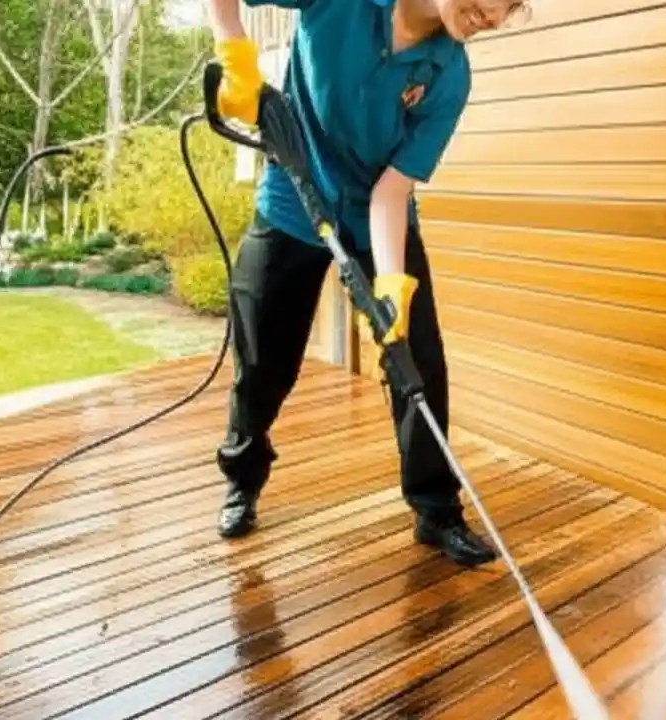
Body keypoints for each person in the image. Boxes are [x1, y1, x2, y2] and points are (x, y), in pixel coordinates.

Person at [204, 0, 528, 567]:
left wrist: (391, 282)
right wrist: (232, 46)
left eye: (511, 9)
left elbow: (391, 191)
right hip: (292, 201)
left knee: (415, 359)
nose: (496, 17)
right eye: (494, 1)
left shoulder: (448, 75)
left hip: (373, 214)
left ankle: (436, 509)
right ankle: (243, 477)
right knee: (262, 360)